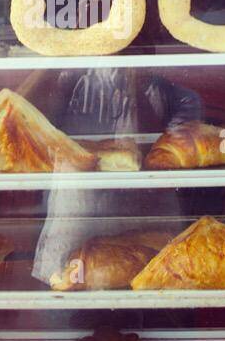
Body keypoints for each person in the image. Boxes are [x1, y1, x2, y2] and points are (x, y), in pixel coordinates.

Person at [15, 66, 203, 284]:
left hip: (150, 225)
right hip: (77, 222)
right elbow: (18, 119)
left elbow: (154, 157)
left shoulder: (179, 97)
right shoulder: (69, 80)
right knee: (74, 305)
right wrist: (56, 59)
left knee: (156, 301)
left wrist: (135, 85)